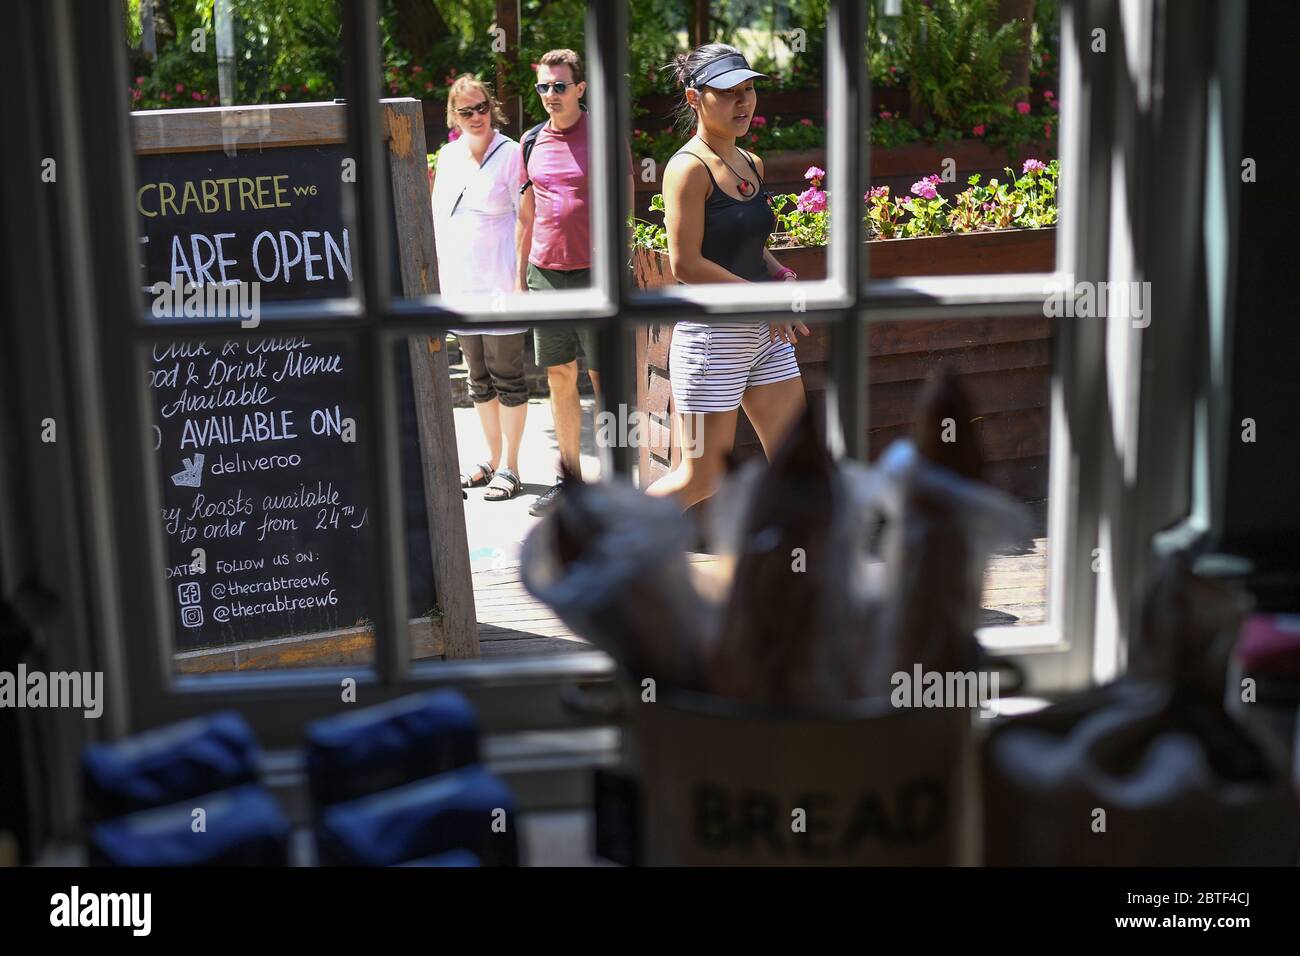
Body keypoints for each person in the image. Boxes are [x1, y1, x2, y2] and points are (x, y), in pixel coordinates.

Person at [646, 43, 809, 510]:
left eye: (749, 89)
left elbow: (749, 244)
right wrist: (763, 299)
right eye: (728, 93)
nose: (744, 103)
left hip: (764, 333)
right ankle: (607, 549)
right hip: (712, 339)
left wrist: (780, 276)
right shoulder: (686, 168)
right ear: (694, 98)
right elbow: (686, 263)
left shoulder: (750, 163)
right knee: (702, 478)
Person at [515, 48, 633, 517]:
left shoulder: (604, 137)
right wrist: (519, 275)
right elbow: (527, 215)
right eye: (543, 86)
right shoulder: (529, 142)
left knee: (606, 378)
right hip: (545, 273)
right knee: (559, 376)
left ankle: (614, 481)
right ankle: (570, 480)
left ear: (581, 89)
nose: (550, 94)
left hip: (596, 276)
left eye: (559, 86)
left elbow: (624, 205)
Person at [433, 74, 528, 502]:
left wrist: (520, 279)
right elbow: (437, 219)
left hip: (500, 277)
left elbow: (526, 218)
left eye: (482, 108)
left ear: (493, 108)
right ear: (454, 115)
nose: (476, 117)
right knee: (477, 377)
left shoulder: (511, 153)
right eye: (466, 111)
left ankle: (511, 465)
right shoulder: (448, 156)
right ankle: (489, 458)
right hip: (460, 281)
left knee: (508, 374)